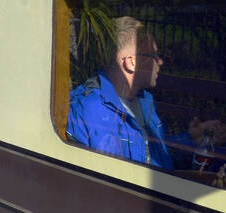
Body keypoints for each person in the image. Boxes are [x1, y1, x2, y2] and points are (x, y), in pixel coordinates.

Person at [66, 16, 173, 168]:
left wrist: (190, 140)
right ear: (131, 62)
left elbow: (152, 153)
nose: (160, 62)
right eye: (154, 55)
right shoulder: (93, 110)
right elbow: (112, 180)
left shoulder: (143, 100)